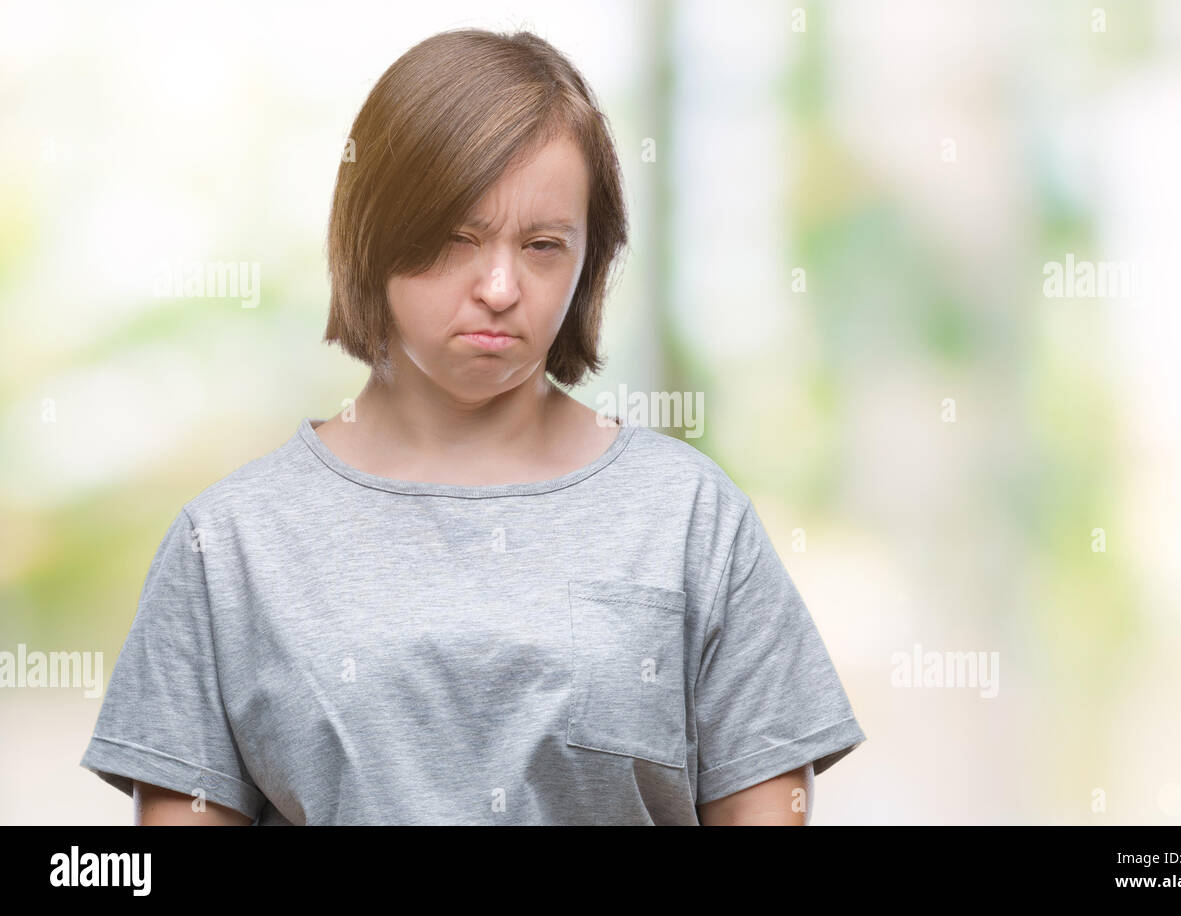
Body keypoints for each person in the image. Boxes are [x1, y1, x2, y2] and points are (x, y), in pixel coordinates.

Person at [79, 27, 866, 826]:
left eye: (543, 246)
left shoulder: (694, 520)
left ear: (590, 262)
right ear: (373, 232)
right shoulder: (230, 545)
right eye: (457, 237)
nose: (499, 286)